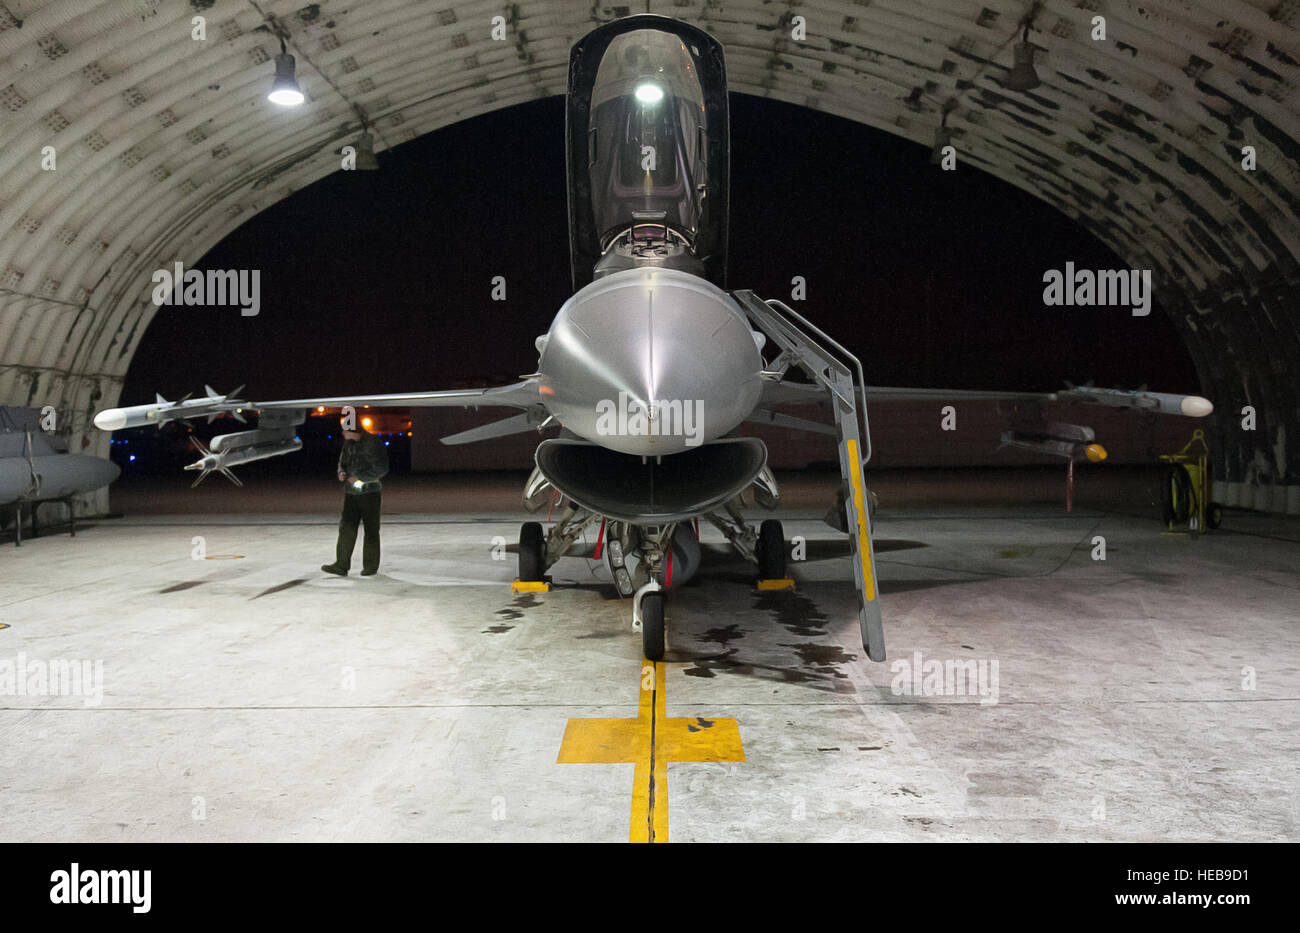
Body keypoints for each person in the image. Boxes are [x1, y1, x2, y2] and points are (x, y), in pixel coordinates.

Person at [321, 419, 389, 576]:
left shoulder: (373, 443)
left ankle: (370, 567)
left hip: (370, 493)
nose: (343, 434)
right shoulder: (349, 444)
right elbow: (342, 461)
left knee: (371, 530)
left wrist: (360, 477)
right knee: (346, 528)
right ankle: (341, 565)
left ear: (354, 430)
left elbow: (381, 468)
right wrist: (341, 472)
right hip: (351, 493)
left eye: (345, 430)